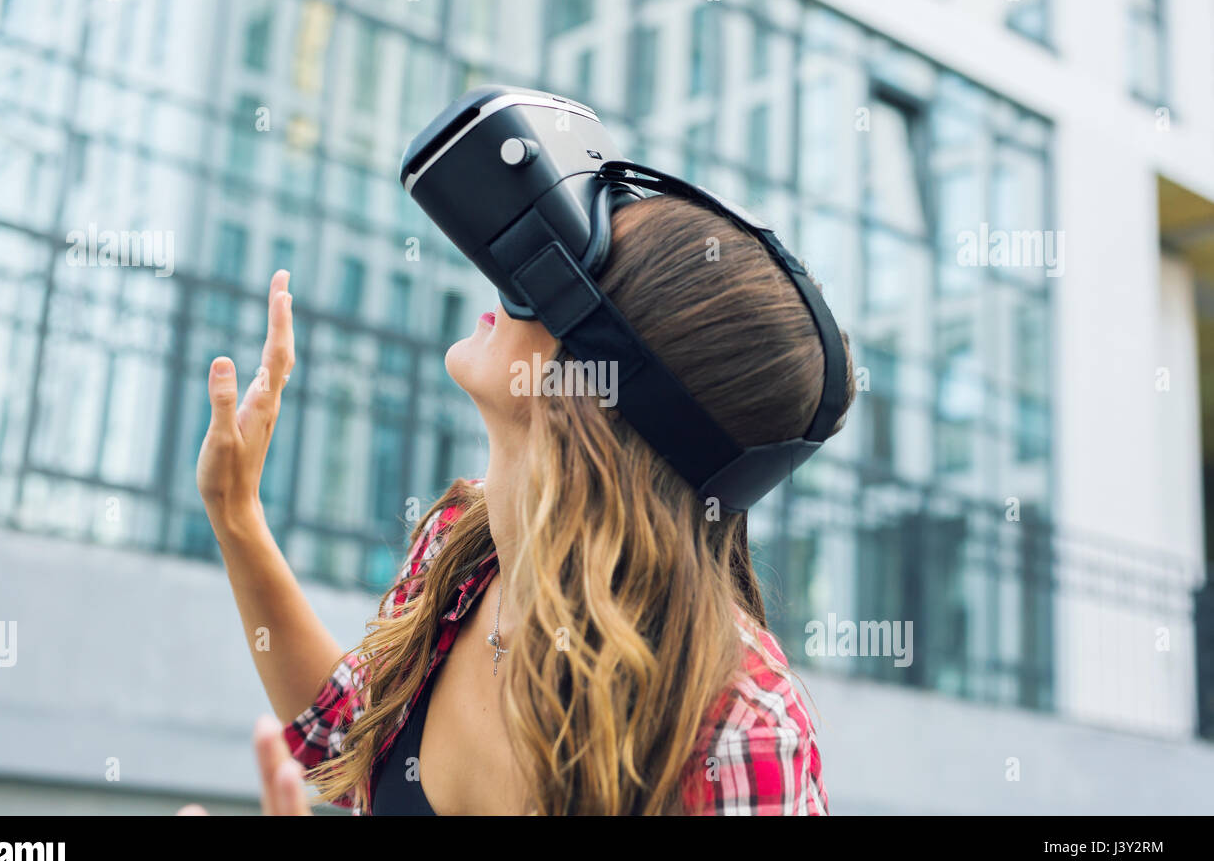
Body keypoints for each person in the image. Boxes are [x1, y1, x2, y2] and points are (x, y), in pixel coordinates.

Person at [192, 193, 855, 815]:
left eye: (563, 278)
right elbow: (344, 736)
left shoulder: (741, 726)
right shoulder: (463, 549)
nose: (510, 282)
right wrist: (236, 514)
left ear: (601, 385)